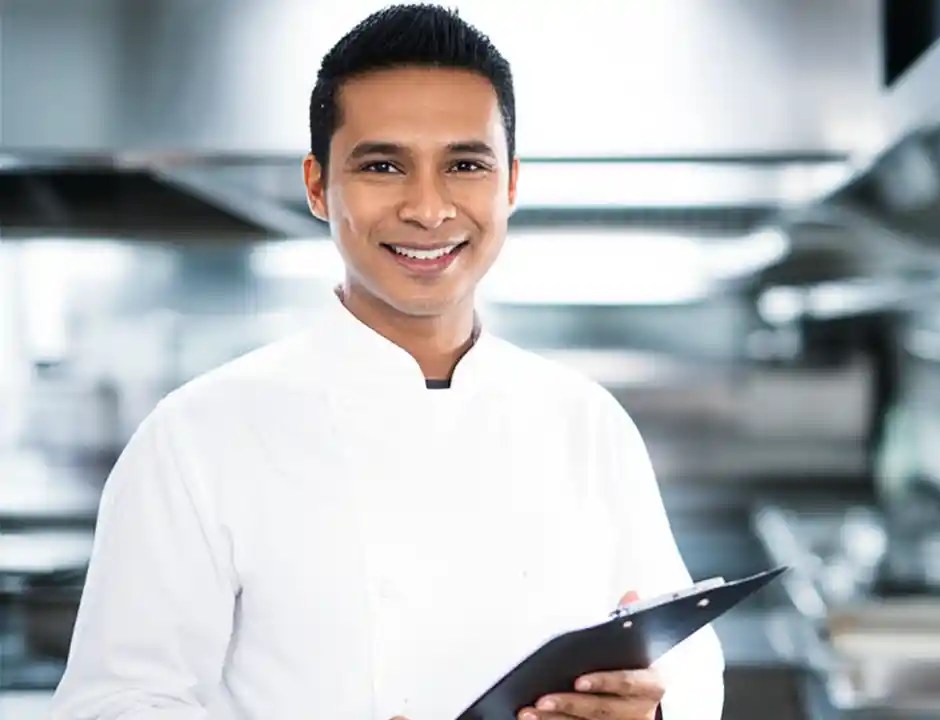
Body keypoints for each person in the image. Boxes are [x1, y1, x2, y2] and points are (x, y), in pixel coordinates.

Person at [49, 5, 724, 719]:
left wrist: (647, 710)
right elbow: (113, 705)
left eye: (465, 165)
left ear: (511, 185)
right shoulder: (197, 438)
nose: (428, 209)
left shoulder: (586, 423)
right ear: (317, 186)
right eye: (382, 166)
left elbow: (687, 669)